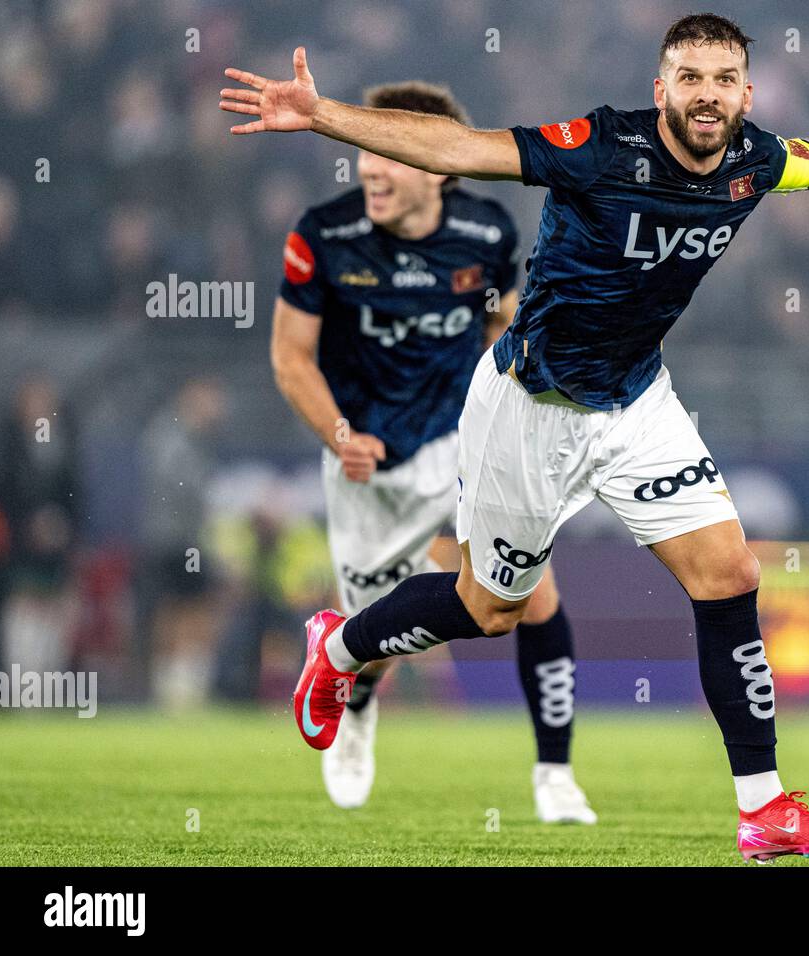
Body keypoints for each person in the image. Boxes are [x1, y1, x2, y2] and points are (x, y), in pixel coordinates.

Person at [221, 12, 809, 862]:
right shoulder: (602, 148)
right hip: (530, 404)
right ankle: (340, 643)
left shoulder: (756, 160)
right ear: (662, 89)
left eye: (724, 80)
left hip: (637, 401)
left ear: (746, 93)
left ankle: (764, 809)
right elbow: (466, 150)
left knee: (731, 574)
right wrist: (323, 115)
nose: (708, 96)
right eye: (690, 78)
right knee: (488, 608)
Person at [269, 81, 596, 823]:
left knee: (528, 594)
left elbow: (499, 323)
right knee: (371, 643)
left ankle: (554, 774)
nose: (372, 170)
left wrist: (528, 398)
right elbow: (291, 357)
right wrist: (338, 433)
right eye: (365, 154)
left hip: (459, 446)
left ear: (440, 166)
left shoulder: (486, 235)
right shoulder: (323, 234)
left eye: (390, 154)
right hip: (367, 463)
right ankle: (356, 710)